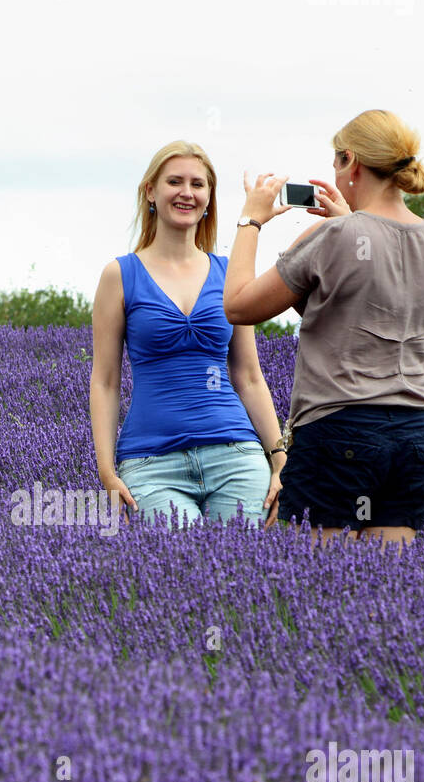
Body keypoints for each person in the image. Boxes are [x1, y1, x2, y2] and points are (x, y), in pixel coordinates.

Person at [223, 109, 424, 550]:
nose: (334, 170)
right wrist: (347, 226)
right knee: (388, 591)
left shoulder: (335, 237)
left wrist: (250, 221)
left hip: (340, 433)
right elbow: (344, 314)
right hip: (414, 438)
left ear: (350, 160)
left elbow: (238, 306)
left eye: (335, 161)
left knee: (318, 586)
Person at [89, 140, 288, 530]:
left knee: (239, 575)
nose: (186, 193)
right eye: (174, 182)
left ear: (209, 197)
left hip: (236, 454)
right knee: (176, 580)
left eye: (198, 184)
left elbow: (248, 376)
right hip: (150, 462)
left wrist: (279, 458)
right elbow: (106, 380)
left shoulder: (228, 272)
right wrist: (106, 471)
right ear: (150, 191)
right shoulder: (120, 275)